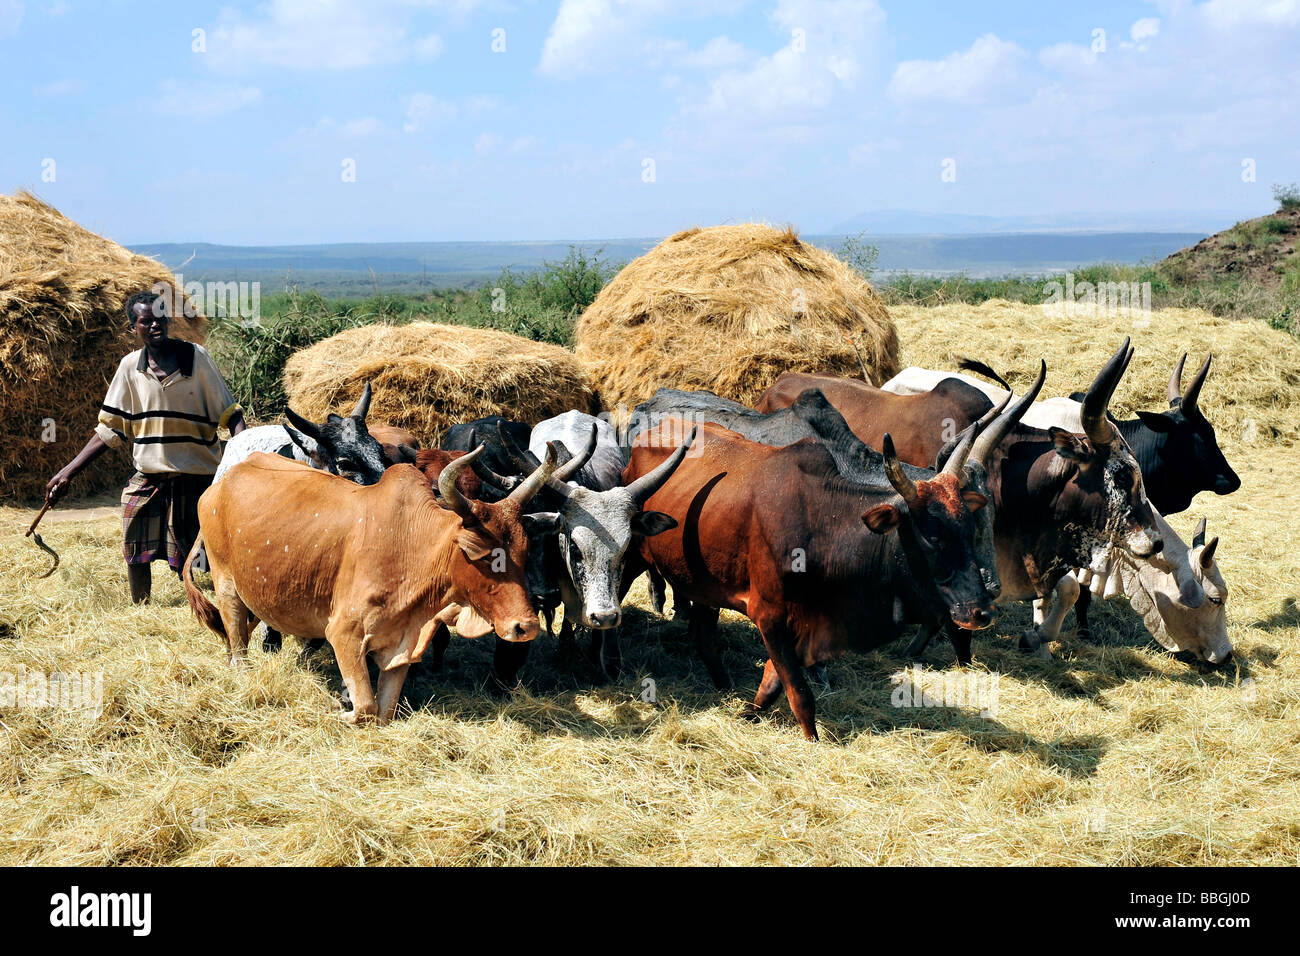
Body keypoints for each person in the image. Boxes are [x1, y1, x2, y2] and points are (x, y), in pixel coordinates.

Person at [46, 289, 246, 603]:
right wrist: (67, 473)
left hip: (196, 474)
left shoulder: (196, 358)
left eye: (160, 319)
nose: (155, 326)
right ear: (134, 327)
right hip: (150, 475)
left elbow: (230, 414)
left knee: (198, 555)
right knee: (133, 533)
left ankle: (204, 602)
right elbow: (110, 430)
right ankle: (140, 606)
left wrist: (244, 456)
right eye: (146, 321)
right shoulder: (130, 368)